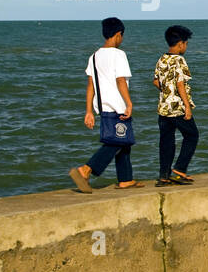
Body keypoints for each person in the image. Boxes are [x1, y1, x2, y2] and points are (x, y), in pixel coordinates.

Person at [69, 16, 141, 192]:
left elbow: (90, 86)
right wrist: (129, 104)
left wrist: (89, 111)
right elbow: (121, 81)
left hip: (103, 108)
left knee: (124, 142)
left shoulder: (94, 57)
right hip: (117, 107)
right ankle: (86, 170)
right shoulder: (119, 55)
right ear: (118, 34)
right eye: (122, 36)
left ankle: (125, 179)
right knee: (116, 142)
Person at [153, 24, 198, 186]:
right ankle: (180, 169)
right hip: (177, 107)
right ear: (180, 44)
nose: (186, 47)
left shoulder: (162, 59)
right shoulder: (180, 60)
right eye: (186, 44)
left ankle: (163, 176)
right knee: (192, 135)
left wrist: (167, 91)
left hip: (163, 108)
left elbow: (156, 82)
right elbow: (180, 84)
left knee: (166, 141)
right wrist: (187, 106)